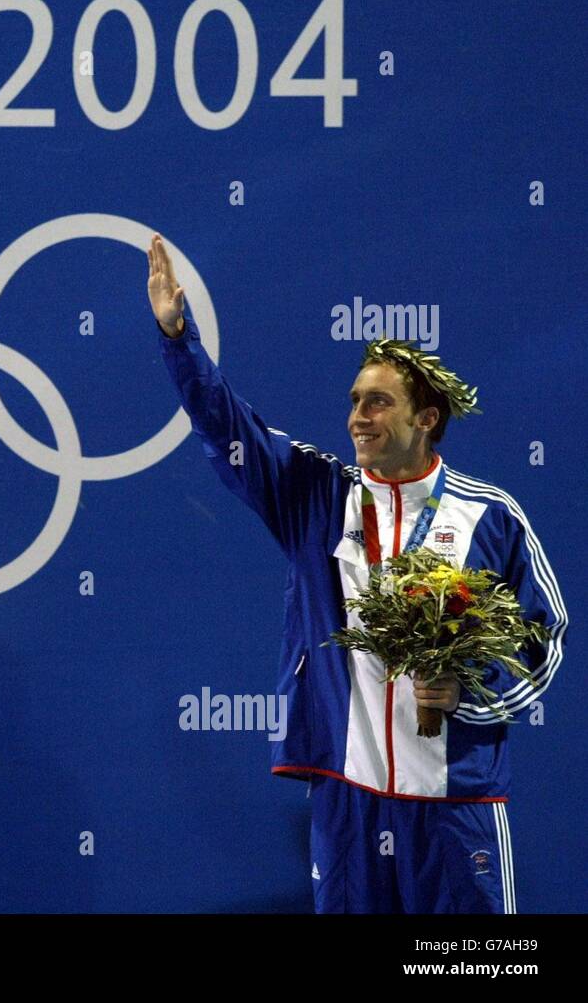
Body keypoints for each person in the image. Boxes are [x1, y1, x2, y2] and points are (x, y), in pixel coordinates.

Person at [146, 233, 566, 913]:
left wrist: (471, 692)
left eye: (378, 402)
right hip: (348, 800)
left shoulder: (491, 517)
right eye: (354, 400)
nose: (356, 417)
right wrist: (177, 337)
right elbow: (229, 426)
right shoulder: (316, 496)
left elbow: (546, 637)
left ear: (427, 418)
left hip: (455, 800)